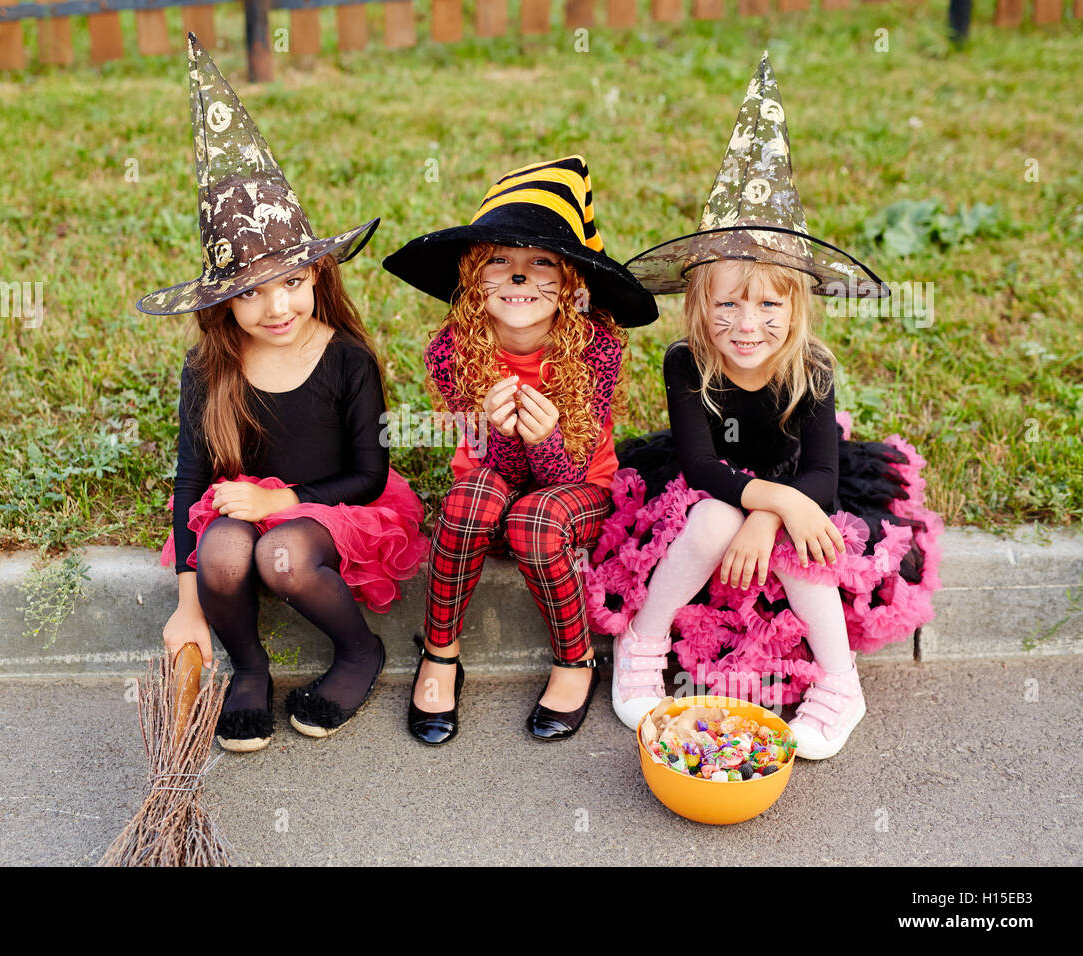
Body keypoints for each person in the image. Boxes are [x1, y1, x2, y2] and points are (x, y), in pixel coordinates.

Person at [585, 53, 943, 759]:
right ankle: (642, 640)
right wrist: (762, 505)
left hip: (794, 486)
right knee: (720, 510)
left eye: (768, 303)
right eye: (727, 302)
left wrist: (776, 510)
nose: (748, 324)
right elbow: (698, 465)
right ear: (697, 305)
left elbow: (822, 482)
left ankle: (841, 685)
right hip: (709, 492)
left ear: (796, 305)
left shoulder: (810, 369)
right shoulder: (687, 362)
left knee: (803, 533)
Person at [144, 35, 426, 752]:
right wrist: (187, 610)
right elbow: (190, 480)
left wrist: (282, 503)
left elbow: (369, 476)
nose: (278, 307)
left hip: (333, 508)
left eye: (294, 283)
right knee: (223, 555)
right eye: (252, 292)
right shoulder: (210, 369)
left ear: (319, 278)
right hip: (245, 509)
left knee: (281, 557)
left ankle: (361, 652)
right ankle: (249, 669)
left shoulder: (346, 360)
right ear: (219, 303)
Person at [383, 156, 659, 744]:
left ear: (570, 284)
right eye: (499, 262)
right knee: (471, 500)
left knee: (534, 520)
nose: (518, 278)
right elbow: (487, 466)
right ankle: (439, 652)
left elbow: (568, 472)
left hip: (578, 485)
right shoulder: (452, 350)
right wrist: (498, 432)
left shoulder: (595, 346)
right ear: (473, 278)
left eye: (540, 264)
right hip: (492, 478)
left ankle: (574, 656)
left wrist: (546, 439)